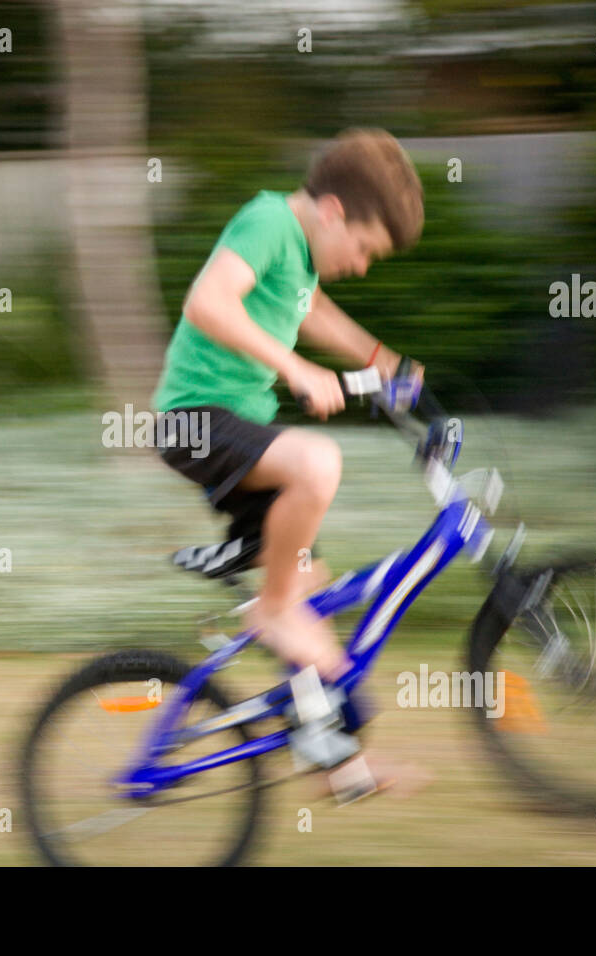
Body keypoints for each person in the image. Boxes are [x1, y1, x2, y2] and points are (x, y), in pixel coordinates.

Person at [152, 128, 427, 805]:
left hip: (238, 429)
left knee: (311, 591)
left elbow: (312, 312)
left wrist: (381, 361)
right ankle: (271, 611)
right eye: (364, 248)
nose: (362, 265)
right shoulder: (269, 221)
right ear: (333, 212)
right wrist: (296, 370)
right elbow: (208, 302)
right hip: (196, 420)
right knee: (318, 462)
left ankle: (338, 761)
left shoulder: (298, 256)